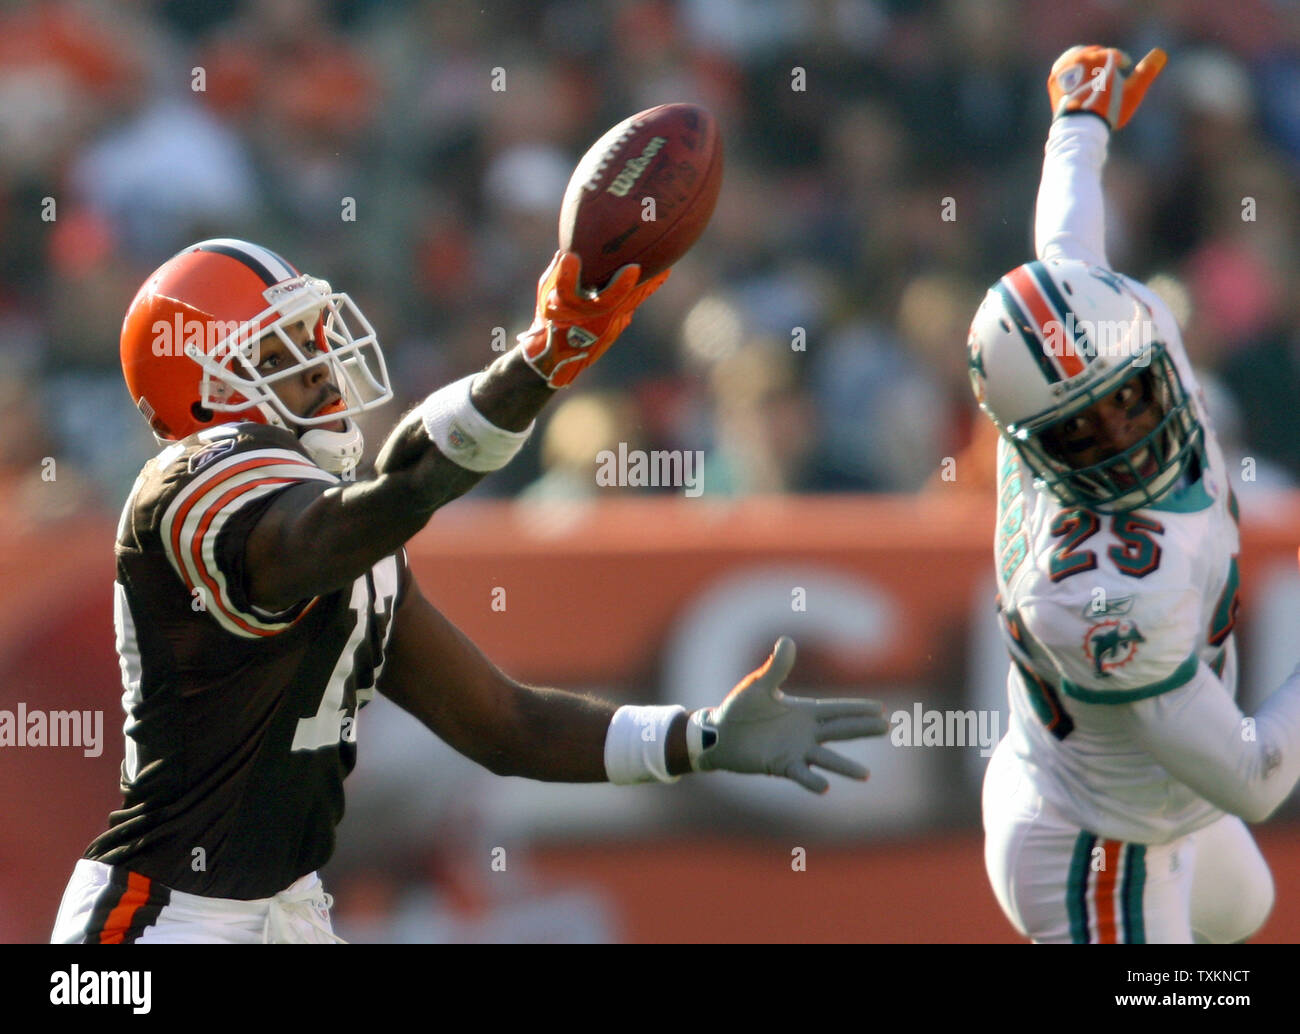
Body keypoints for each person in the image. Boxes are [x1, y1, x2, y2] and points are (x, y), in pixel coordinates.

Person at [51, 239, 888, 944]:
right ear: (205, 395)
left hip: (286, 912)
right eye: (278, 355)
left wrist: (698, 737)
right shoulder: (191, 488)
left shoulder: (352, 536)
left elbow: (504, 723)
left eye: (312, 338)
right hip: (160, 923)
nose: (320, 371)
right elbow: (384, 500)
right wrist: (539, 359)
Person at [970, 46, 1300, 943]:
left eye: (1127, 400)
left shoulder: (1114, 329)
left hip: (1165, 802)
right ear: (1033, 439)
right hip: (1097, 850)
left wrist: (1078, 123)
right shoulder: (1095, 595)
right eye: (1082, 431)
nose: (1123, 435)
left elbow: (1066, 248)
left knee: (1250, 914)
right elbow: (1258, 777)